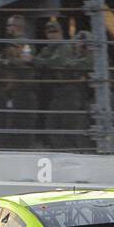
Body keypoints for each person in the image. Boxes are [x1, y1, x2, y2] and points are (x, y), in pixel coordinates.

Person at [34, 21, 91, 151]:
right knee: (51, 125)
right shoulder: (48, 49)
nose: (52, 35)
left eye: (54, 32)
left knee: (68, 125)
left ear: (60, 33)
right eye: (49, 32)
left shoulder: (65, 46)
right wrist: (41, 62)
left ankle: (73, 151)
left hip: (70, 90)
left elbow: (56, 63)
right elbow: (37, 61)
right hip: (57, 91)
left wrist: (41, 62)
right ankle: (65, 150)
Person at [0, 14, 37, 148]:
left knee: (20, 122)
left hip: (21, 89)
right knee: (7, 121)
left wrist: (7, 62)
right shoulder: (9, 44)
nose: (7, 28)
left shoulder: (25, 43)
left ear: (16, 26)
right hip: (9, 88)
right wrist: (5, 62)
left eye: (9, 25)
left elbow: (26, 60)